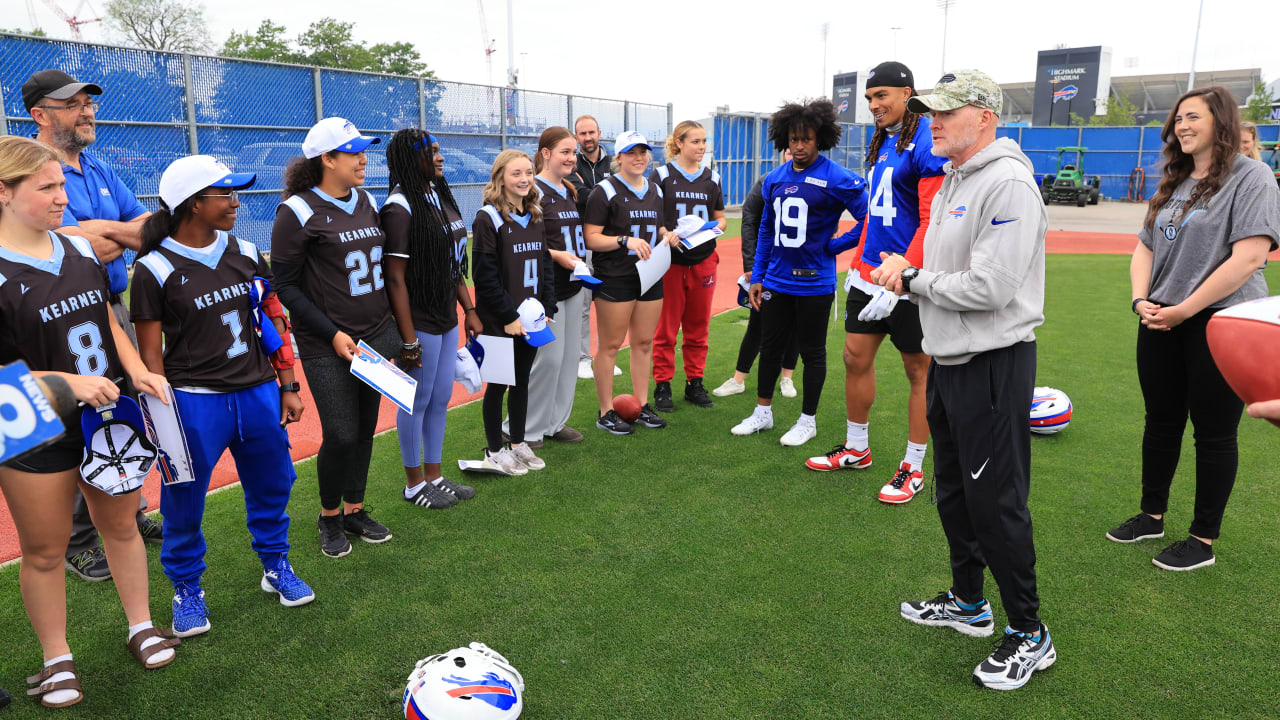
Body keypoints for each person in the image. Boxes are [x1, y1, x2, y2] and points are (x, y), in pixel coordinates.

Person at [873, 69, 1054, 691]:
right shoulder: (956, 178)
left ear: (986, 118)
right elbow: (948, 263)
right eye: (931, 113)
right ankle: (970, 603)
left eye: (948, 112)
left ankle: (1031, 634)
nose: (934, 122)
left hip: (993, 364)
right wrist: (910, 263)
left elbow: (990, 288)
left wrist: (914, 280)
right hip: (950, 359)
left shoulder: (1007, 183)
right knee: (952, 491)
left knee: (996, 503)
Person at [0, 135, 178, 708]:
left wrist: (138, 369)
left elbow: (105, 317)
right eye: (46, 187)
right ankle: (57, 658)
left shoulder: (76, 249)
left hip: (107, 415)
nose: (61, 198)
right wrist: (65, 383)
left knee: (122, 526)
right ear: (3, 193)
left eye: (61, 184)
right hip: (30, 424)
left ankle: (141, 625)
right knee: (47, 549)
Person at [131, 155, 316, 639]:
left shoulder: (248, 250)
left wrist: (289, 384)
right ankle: (187, 588)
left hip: (257, 392)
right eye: (225, 194)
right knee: (184, 500)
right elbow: (150, 354)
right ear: (193, 204)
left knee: (273, 485)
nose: (235, 202)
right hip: (194, 400)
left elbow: (273, 321)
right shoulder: (153, 268)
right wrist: (162, 418)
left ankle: (276, 564)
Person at [1107, 86, 1278, 571]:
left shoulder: (1253, 176)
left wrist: (1184, 309)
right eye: (1178, 118)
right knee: (1160, 421)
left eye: (1193, 118)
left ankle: (1202, 540)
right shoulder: (1175, 177)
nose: (1181, 126)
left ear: (1221, 123)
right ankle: (1151, 515)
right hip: (1160, 317)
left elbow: (1248, 258)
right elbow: (1144, 246)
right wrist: (1142, 299)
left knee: (1214, 432)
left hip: (1222, 322)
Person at [23, 68, 159, 582]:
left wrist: (102, 233)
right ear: (40, 115)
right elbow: (57, 241)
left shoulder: (98, 168)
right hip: (54, 317)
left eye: (88, 102)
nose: (87, 111)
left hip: (108, 305)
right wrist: (105, 237)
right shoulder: (29, 169)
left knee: (119, 409)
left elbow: (149, 230)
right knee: (67, 420)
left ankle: (129, 511)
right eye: (72, 104)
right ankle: (77, 541)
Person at [806, 61, 947, 506]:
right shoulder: (885, 141)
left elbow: (931, 220)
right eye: (869, 98)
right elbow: (875, 215)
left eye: (881, 95)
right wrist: (859, 261)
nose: (873, 105)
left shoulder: (926, 138)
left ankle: (913, 465)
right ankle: (857, 447)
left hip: (908, 278)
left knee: (917, 370)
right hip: (870, 273)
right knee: (854, 358)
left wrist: (904, 275)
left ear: (908, 93)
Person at [271, 117, 398, 558]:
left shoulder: (364, 199)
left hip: (375, 335)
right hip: (328, 343)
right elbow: (284, 285)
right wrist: (332, 333)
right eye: (354, 152)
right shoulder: (297, 211)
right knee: (341, 434)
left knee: (365, 430)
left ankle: (355, 509)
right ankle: (328, 516)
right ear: (327, 159)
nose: (364, 159)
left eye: (364, 150)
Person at [730, 99, 867, 447]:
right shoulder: (774, 179)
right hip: (776, 280)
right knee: (770, 346)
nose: (800, 146)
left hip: (815, 282)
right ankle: (763, 412)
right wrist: (757, 277)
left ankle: (808, 420)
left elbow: (868, 220)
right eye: (794, 139)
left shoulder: (837, 177)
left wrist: (835, 246)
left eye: (806, 139)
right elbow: (765, 231)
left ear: (819, 138)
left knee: (812, 352)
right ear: (785, 140)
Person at [383, 129, 479, 510]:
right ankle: (413, 484)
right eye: (431, 151)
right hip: (419, 318)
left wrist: (468, 309)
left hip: (445, 314)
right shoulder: (399, 205)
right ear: (410, 158)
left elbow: (453, 263)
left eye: (439, 150)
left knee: (440, 397)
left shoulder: (437, 194)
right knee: (415, 399)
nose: (439, 158)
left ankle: (434, 475)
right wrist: (407, 339)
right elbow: (394, 278)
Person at [582, 131, 680, 434]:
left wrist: (667, 234)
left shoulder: (655, 190)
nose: (639, 158)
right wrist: (624, 240)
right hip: (616, 276)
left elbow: (658, 225)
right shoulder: (604, 191)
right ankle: (605, 411)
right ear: (619, 158)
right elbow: (592, 237)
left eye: (643, 152)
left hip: (650, 275)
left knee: (643, 343)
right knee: (610, 345)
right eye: (631, 152)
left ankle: (640, 405)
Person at [500, 127, 590, 447]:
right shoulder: (533, 189)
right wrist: (558, 256)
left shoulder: (569, 188)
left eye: (574, 152)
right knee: (546, 360)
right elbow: (520, 240)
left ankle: (554, 423)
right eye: (565, 151)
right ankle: (521, 427)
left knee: (567, 362)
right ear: (546, 153)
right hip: (542, 289)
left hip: (572, 284)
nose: (571, 157)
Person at [471, 149, 556, 474]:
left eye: (528, 173)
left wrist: (547, 306)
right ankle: (494, 449)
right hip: (500, 321)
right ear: (500, 178)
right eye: (515, 173)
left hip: (531, 319)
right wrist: (509, 317)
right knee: (497, 384)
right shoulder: (487, 218)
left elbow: (545, 263)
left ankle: (518, 442)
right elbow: (485, 276)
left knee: (522, 381)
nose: (523, 179)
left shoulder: (535, 212)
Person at [650, 120, 727, 412]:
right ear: (679, 143)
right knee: (666, 329)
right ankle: (663, 384)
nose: (702, 147)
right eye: (695, 141)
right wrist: (664, 233)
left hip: (703, 259)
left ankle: (695, 382)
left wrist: (710, 227)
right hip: (671, 261)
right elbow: (653, 217)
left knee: (698, 327)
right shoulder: (662, 176)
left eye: (704, 141)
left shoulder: (712, 178)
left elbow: (721, 218)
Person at [711, 151, 800, 399]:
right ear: (783, 152)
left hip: (800, 265)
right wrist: (751, 264)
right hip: (770, 264)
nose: (794, 152)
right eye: (790, 147)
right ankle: (739, 378)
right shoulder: (767, 180)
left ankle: (787, 378)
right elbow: (749, 219)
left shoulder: (819, 181)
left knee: (795, 323)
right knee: (758, 322)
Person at [570, 115, 620, 380]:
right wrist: (605, 193)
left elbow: (622, 195)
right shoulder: (571, 162)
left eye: (591, 132)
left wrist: (595, 193)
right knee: (583, 303)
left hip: (610, 241)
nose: (587, 138)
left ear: (600, 133)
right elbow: (581, 197)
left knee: (609, 302)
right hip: (582, 241)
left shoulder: (615, 163)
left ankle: (606, 356)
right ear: (576, 137)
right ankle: (582, 357)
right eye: (582, 134)